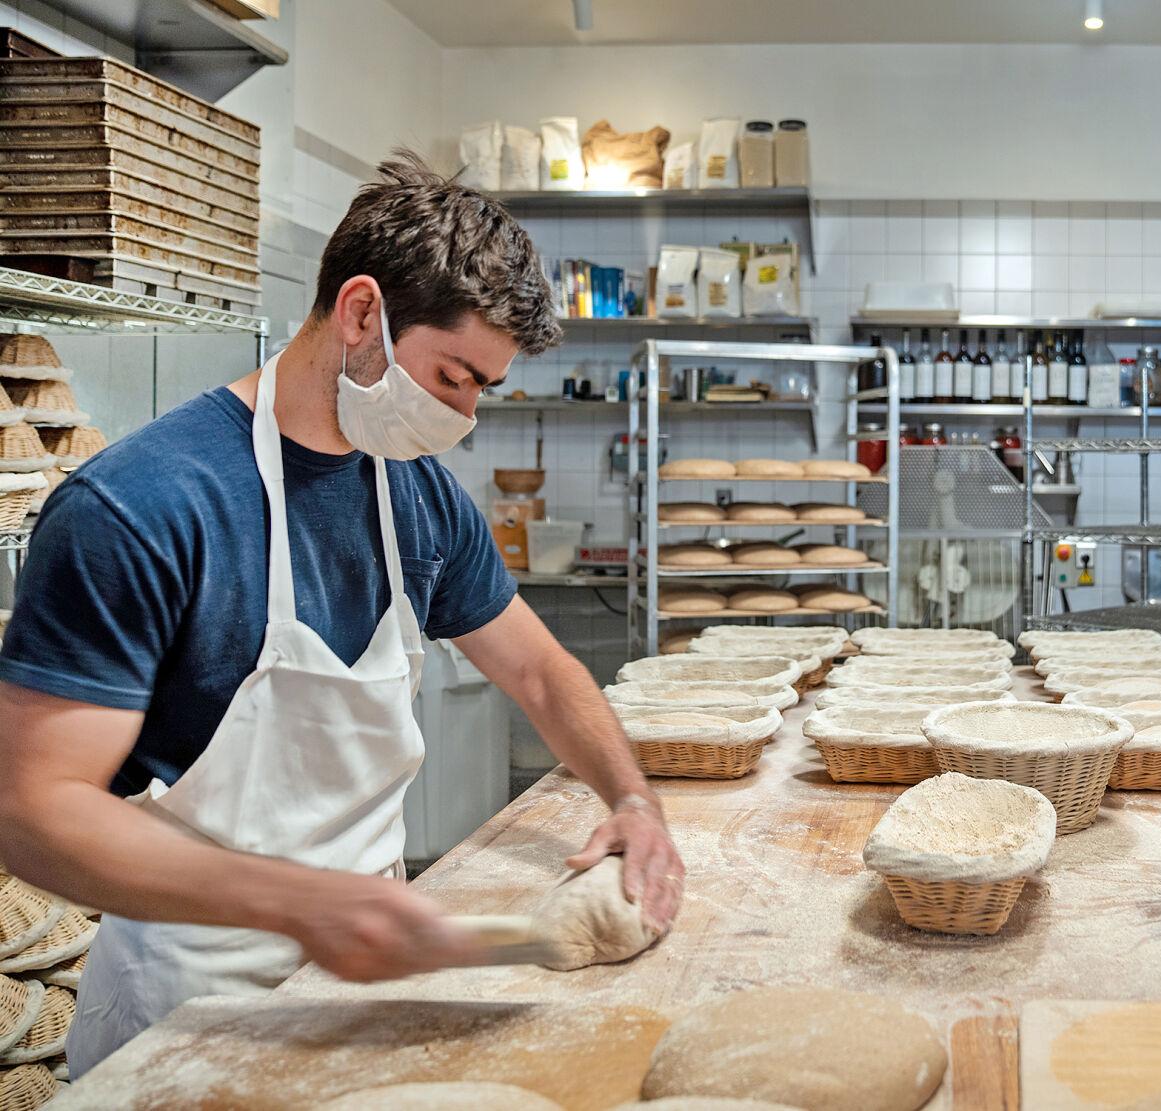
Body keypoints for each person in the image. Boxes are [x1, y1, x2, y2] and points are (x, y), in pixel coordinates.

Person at [0, 153, 685, 1075]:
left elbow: (539, 669)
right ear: (363, 312)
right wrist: (300, 902)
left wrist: (631, 799)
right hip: (184, 1012)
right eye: (454, 376)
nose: (466, 415)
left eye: (483, 387)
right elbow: (33, 812)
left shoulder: (419, 497)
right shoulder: (144, 504)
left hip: (367, 984)